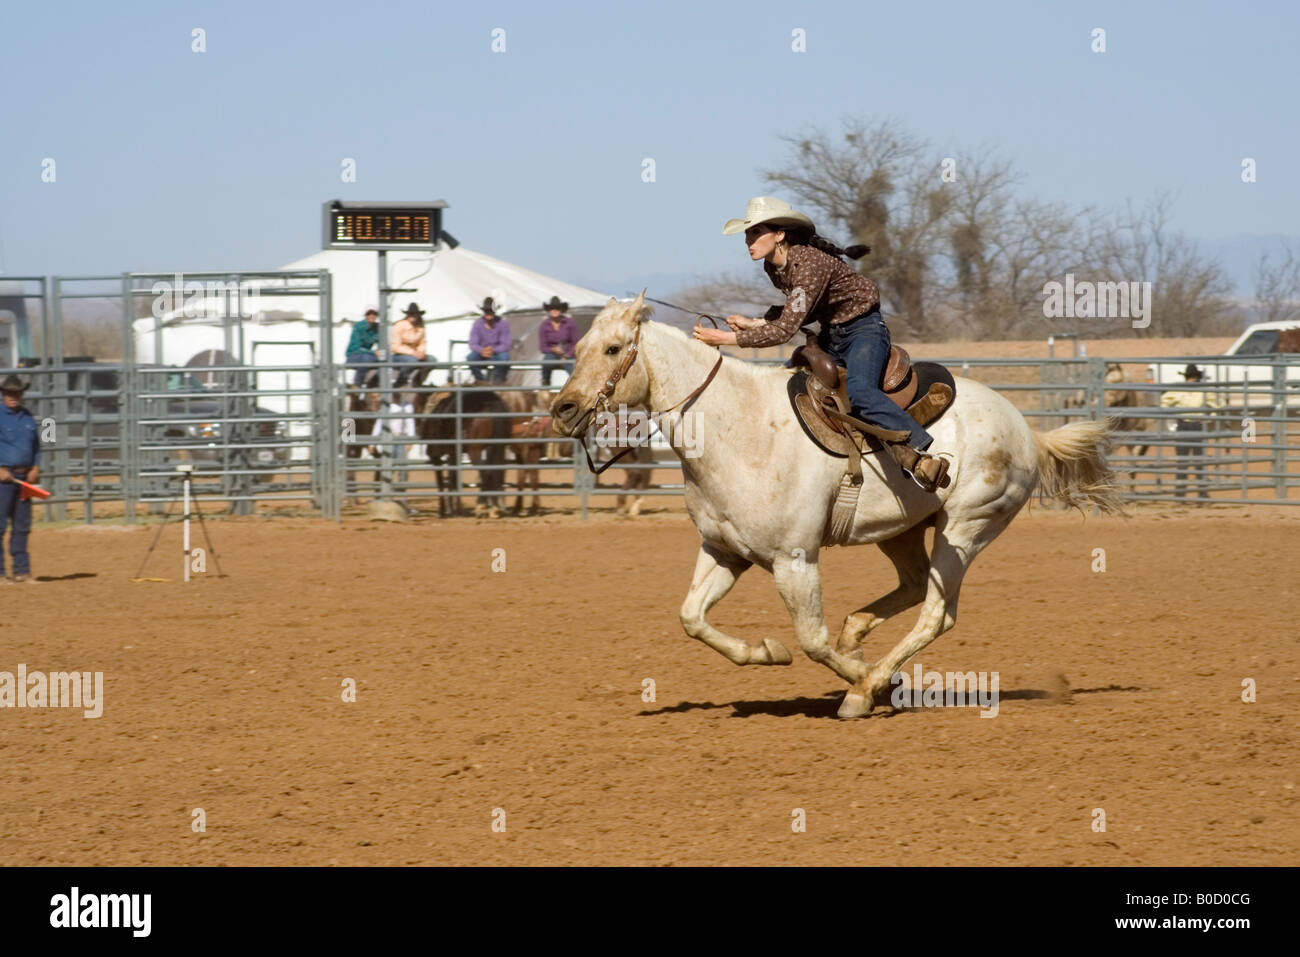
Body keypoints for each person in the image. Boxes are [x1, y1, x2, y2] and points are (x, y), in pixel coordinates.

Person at [693, 196, 948, 491]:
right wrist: (755, 323)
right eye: (748, 233)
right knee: (790, 384)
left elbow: (785, 331)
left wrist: (728, 339)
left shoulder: (809, 265)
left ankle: (921, 451)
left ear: (779, 235)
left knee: (861, 392)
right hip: (832, 333)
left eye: (756, 232)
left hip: (864, 330)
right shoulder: (772, 267)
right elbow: (799, 309)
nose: (748, 240)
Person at [0, 375, 41, 583]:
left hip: (24, 478)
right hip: (3, 478)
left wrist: (36, 466)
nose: (13, 397)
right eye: (9, 393)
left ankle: (21, 570)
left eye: (16, 393)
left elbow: (37, 445)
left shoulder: (27, 416)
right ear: (3, 394)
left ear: (21, 394)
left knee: (22, 524)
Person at [1160, 363, 1223, 499]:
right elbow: (1164, 402)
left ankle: (1201, 492)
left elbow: (1218, 405)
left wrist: (1210, 418)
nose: (1192, 380)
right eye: (1190, 377)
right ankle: (1180, 493)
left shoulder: (1204, 390)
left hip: (1197, 425)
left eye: (1193, 377)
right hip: (1183, 426)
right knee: (1183, 462)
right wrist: (1173, 415)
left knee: (1199, 462)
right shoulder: (1178, 390)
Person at [467, 297, 512, 383]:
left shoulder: (503, 324)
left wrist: (492, 350)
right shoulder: (477, 323)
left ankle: (499, 381)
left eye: (491, 310)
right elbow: (473, 343)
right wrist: (482, 350)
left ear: (495, 311)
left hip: (497, 353)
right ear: (483, 311)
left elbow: (506, 344)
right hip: (482, 353)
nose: (489, 313)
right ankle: (480, 380)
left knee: (504, 358)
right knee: (471, 358)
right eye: (487, 311)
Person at [538, 296, 578, 387]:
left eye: (557, 308)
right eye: (552, 308)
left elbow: (575, 342)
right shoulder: (544, 325)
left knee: (574, 372)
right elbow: (542, 347)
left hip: (569, 354)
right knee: (546, 363)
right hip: (552, 354)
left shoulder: (570, 322)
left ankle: (575, 390)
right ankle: (545, 384)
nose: (555, 310)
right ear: (549, 310)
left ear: (561, 310)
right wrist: (553, 349)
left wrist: (568, 354)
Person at [391, 302, 427, 388]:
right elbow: (395, 347)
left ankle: (418, 381)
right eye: (411, 314)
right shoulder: (399, 325)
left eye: (415, 314)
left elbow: (422, 343)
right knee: (411, 360)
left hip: (414, 354)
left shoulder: (421, 327)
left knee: (432, 360)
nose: (413, 316)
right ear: (407, 315)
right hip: (396, 355)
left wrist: (421, 352)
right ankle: (400, 382)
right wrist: (413, 353)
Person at [345, 308, 381, 386]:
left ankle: (372, 386)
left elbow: (381, 343)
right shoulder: (358, 326)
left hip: (367, 355)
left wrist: (380, 352)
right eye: (369, 314)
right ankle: (357, 385)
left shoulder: (377, 327)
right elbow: (356, 348)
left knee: (384, 360)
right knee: (366, 359)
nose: (372, 316)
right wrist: (374, 352)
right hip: (353, 355)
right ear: (366, 315)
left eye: (374, 314)